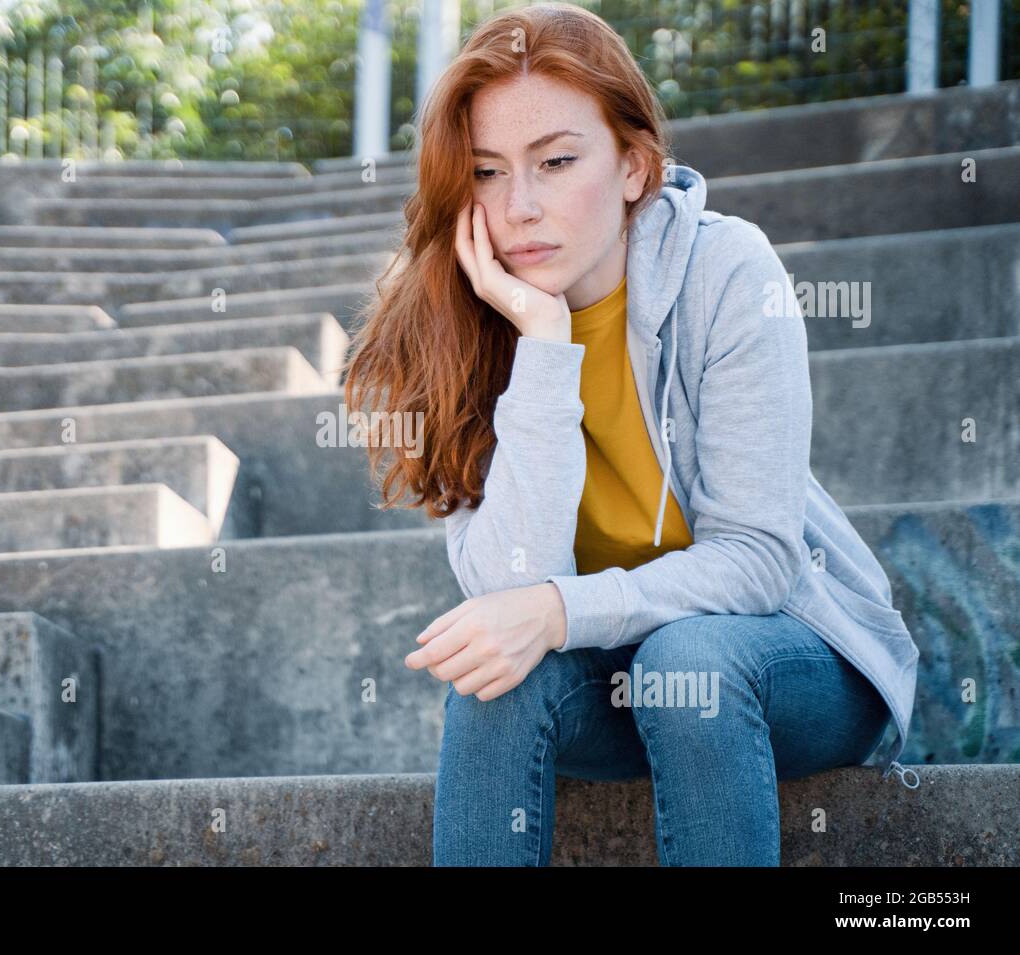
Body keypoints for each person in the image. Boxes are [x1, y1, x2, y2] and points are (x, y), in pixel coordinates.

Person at [340, 2, 920, 866]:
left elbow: (760, 558)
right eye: (489, 173)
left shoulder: (726, 271)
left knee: (689, 662)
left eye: (557, 161)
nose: (521, 206)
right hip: (619, 673)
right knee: (496, 682)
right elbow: (507, 588)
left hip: (793, 663)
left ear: (636, 167)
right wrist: (540, 345)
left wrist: (558, 610)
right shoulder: (464, 326)